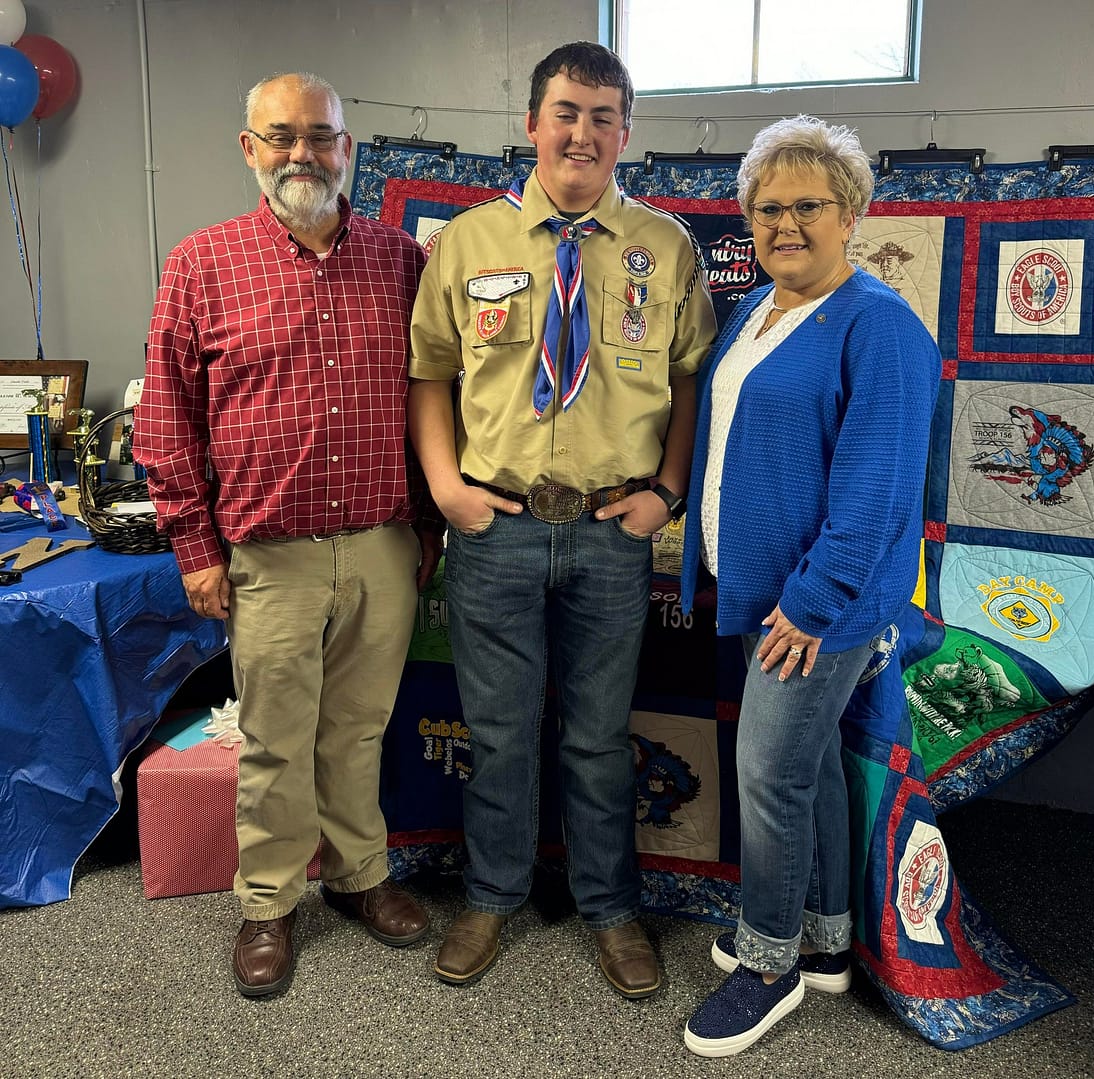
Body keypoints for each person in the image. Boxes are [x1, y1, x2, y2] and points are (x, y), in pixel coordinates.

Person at [407, 41, 716, 998]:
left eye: (602, 115)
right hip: (493, 528)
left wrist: (663, 494)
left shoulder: (662, 247)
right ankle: (492, 894)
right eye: (566, 112)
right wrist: (445, 490)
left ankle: (611, 907)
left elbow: (687, 379)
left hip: (606, 535)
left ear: (625, 132)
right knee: (497, 732)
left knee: (594, 735)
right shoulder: (466, 243)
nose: (582, 132)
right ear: (532, 124)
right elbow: (429, 374)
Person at [133, 71, 441, 998]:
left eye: (320, 135)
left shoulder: (401, 262)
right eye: (281, 136)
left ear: (349, 148)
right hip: (268, 556)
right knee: (273, 738)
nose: (301, 152)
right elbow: (167, 424)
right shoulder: (202, 262)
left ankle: (358, 877)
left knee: (357, 730)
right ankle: (267, 902)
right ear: (249, 148)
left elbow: (437, 404)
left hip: (384, 546)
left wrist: (426, 530)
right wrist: (194, 546)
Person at [679, 115, 941, 1054]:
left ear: (852, 213)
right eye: (766, 208)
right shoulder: (756, 310)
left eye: (807, 206)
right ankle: (826, 939)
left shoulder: (881, 327)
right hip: (764, 592)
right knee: (814, 763)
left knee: (770, 774)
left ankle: (768, 963)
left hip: (815, 605)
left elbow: (875, 494)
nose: (784, 224)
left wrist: (811, 601)